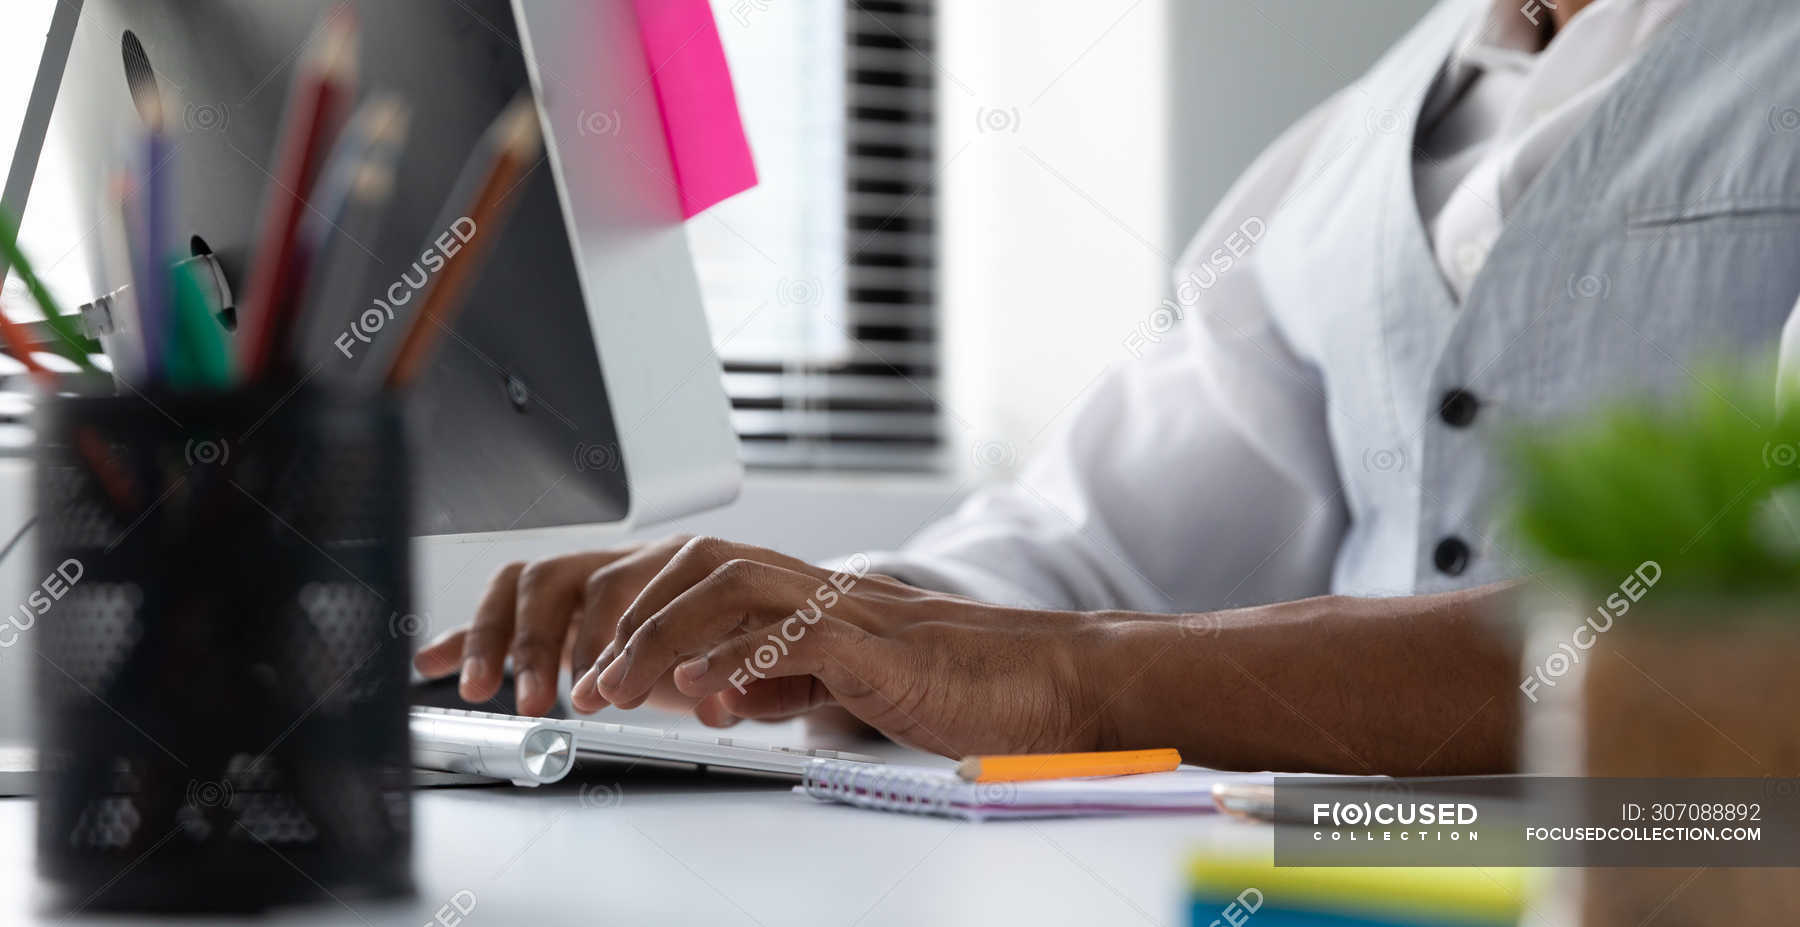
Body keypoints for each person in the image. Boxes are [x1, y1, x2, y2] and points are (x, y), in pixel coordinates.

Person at [416, 0, 1800, 775]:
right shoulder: (1358, 136)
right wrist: (792, 631)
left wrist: (1075, 686)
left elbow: (1770, 638)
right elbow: (1092, 546)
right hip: (1354, 873)